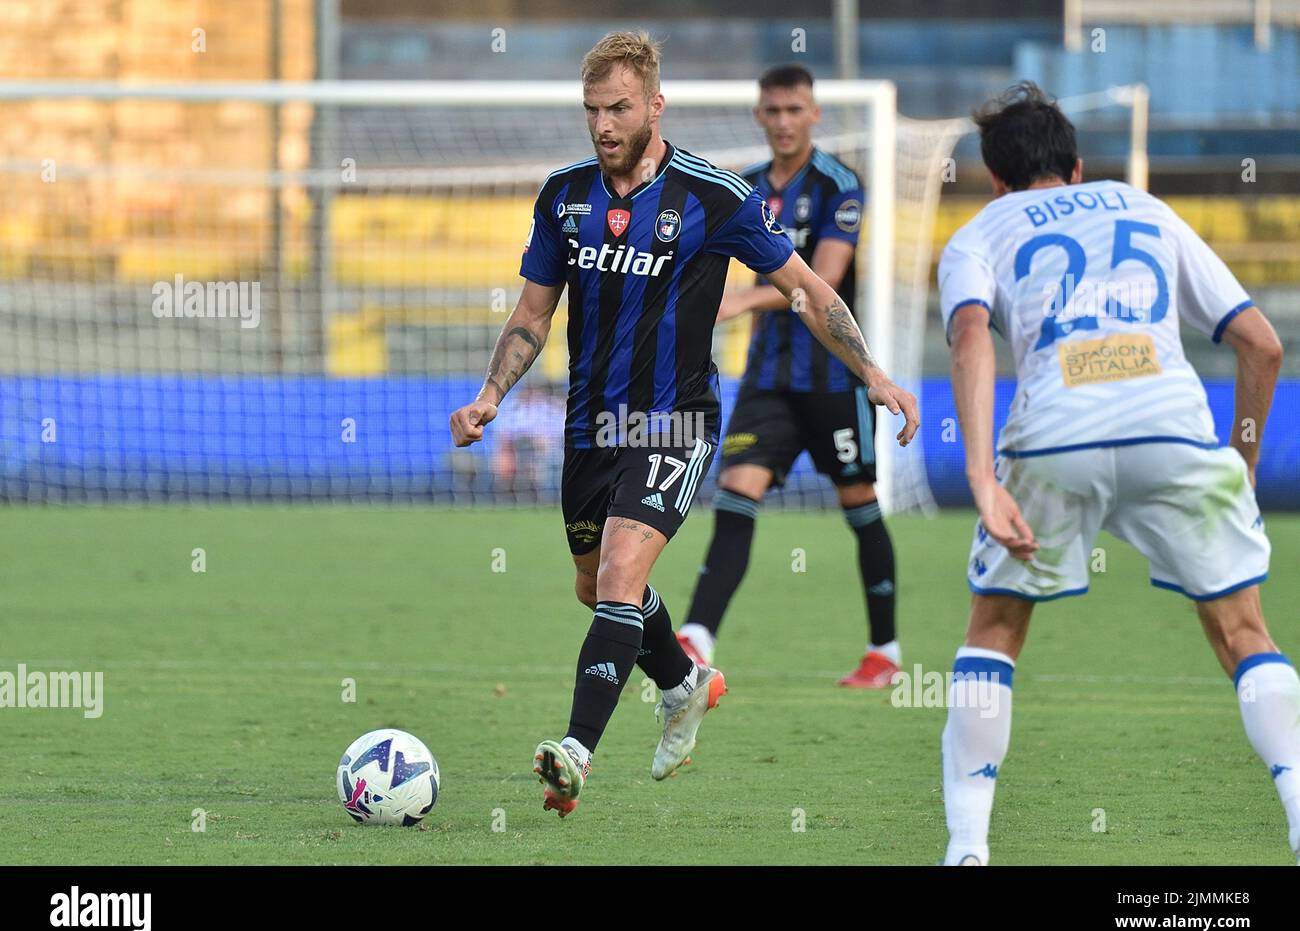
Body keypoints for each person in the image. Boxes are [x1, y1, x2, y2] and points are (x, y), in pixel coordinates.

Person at [449, 31, 920, 818]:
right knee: (593, 586)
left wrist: (871, 373)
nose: (603, 124)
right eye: (593, 109)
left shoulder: (716, 196)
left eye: (620, 108)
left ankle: (576, 752)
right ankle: (682, 685)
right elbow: (533, 313)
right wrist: (492, 393)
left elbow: (807, 290)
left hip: (675, 422)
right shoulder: (562, 196)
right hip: (591, 428)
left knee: (622, 580)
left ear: (655, 105)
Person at [937, 81, 1293, 864]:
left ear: (995, 179)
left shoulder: (978, 233)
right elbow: (1262, 346)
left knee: (993, 635)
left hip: (1053, 438)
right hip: (1172, 429)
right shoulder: (1143, 207)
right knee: (1244, 633)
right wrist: (1240, 461)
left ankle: (967, 851)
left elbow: (970, 338)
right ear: (1078, 165)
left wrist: (982, 478)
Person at [675, 65, 901, 688]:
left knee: (858, 501)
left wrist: (746, 301)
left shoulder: (839, 185)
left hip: (832, 378)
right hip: (767, 379)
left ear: (814, 113)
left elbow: (820, 276)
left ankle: (885, 650)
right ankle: (695, 637)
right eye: (772, 111)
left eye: (794, 110)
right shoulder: (741, 189)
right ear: (759, 115)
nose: (782, 122)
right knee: (735, 492)